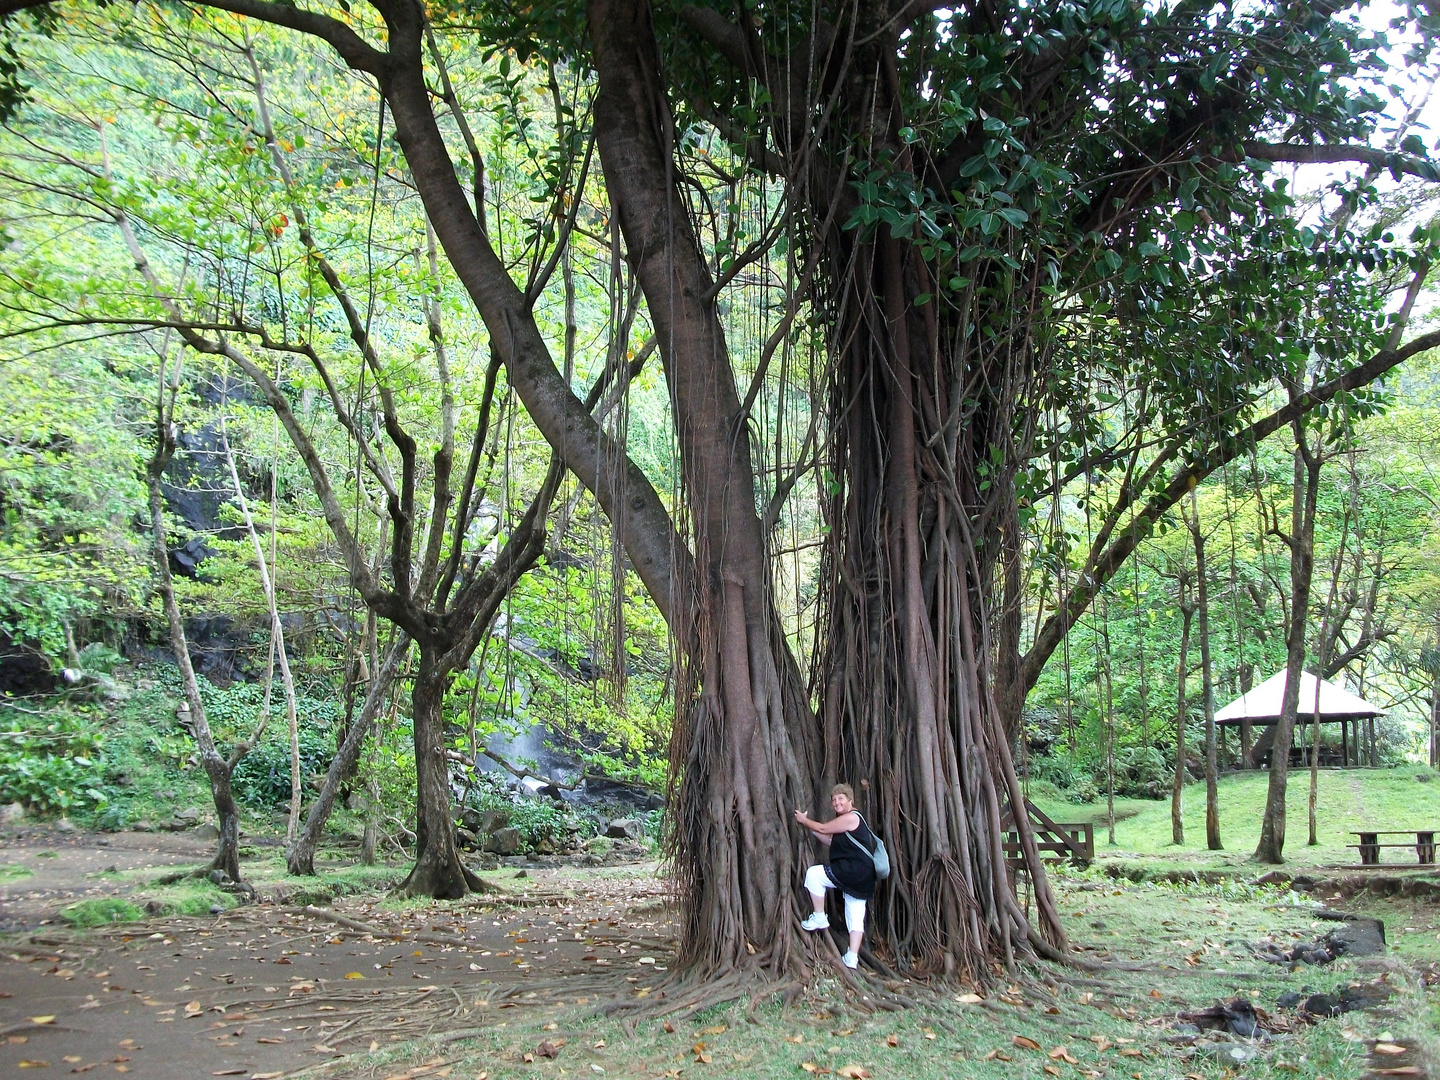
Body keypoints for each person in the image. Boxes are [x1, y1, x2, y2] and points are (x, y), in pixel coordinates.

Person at [793, 783, 877, 970]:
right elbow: (831, 840)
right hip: (864, 875)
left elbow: (824, 828)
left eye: (841, 798)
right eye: (834, 799)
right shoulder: (850, 821)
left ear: (850, 800)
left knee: (813, 875)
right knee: (855, 912)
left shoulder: (851, 817)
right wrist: (812, 830)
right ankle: (852, 958)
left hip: (852, 870)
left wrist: (804, 821)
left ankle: (819, 916)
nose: (837, 802)